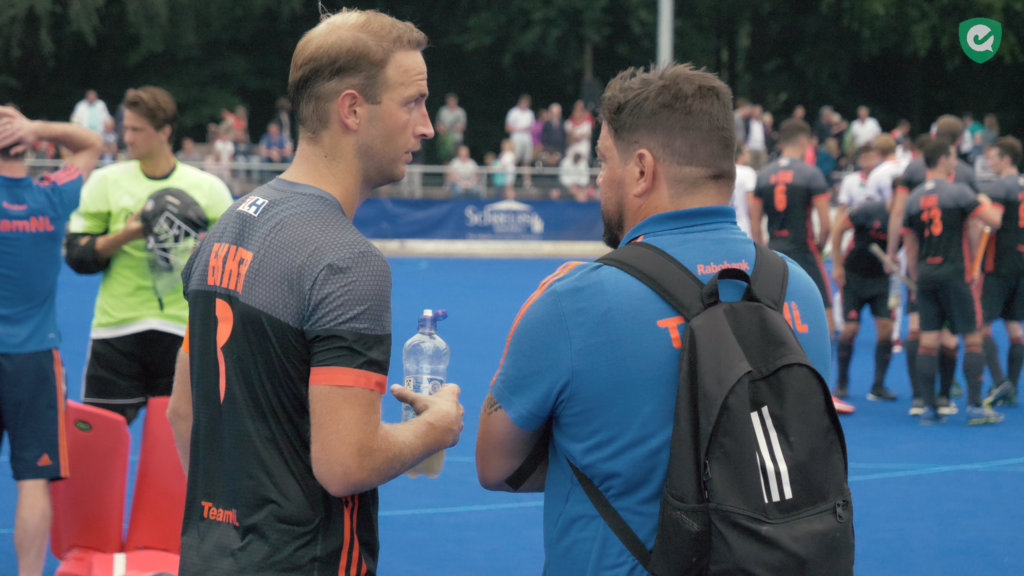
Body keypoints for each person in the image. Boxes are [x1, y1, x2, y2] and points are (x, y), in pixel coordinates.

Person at [475, 63, 831, 575]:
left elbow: (495, 465)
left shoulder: (574, 300)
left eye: (604, 162)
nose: (600, 180)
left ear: (642, 170)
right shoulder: (797, 287)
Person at [167, 10, 464, 574]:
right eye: (413, 102)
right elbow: (345, 464)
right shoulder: (347, 261)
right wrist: (435, 427)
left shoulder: (227, 226)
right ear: (352, 109)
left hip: (211, 554)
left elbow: (185, 412)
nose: (427, 127)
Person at [63, 86, 233, 425]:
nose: (127, 137)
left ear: (165, 131)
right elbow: (77, 256)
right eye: (125, 128)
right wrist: (128, 233)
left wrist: (202, 250)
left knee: (182, 454)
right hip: (116, 331)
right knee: (97, 444)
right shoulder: (105, 182)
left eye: (136, 129)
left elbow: (234, 265)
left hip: (182, 334)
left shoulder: (208, 189)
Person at [0, 104, 103, 576]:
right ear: (27, 144)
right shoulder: (51, 198)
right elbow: (91, 144)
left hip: (30, 354)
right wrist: (35, 126)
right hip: (34, 359)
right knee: (33, 480)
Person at [902, 139, 1004, 424]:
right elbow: (993, 220)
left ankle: (929, 408)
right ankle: (974, 406)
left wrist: (916, 275)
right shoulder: (959, 192)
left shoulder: (913, 198)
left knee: (928, 340)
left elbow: (909, 245)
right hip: (955, 273)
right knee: (972, 338)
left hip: (926, 275)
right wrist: (984, 201)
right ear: (945, 160)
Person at [886, 115, 977, 415]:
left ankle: (919, 399)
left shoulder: (912, 170)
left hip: (922, 260)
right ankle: (947, 396)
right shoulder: (965, 172)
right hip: (955, 262)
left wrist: (891, 252)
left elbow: (899, 215)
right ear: (959, 141)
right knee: (953, 334)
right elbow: (977, 221)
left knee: (919, 329)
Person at [830, 199, 898, 401]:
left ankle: (878, 386)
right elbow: (838, 229)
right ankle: (841, 383)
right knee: (850, 329)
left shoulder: (906, 219)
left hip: (882, 280)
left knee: (886, 329)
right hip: (853, 276)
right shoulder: (869, 210)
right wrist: (836, 265)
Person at [979, 137, 1024, 406]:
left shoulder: (1000, 187)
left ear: (1006, 159)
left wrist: (978, 204)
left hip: (999, 263)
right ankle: (1014, 387)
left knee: (982, 325)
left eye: (994, 158)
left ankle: (998, 382)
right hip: (1021, 263)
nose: (989, 162)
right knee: (1014, 325)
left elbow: (993, 221)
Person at [505, 94, 535, 188]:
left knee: (526, 161)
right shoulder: (513, 112)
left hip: (527, 139)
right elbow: (508, 128)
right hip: (516, 139)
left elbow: (532, 127)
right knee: (514, 160)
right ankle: (510, 181)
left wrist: (525, 128)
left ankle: (527, 182)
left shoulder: (530, 113)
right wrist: (520, 128)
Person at [731, 142, 757, 238]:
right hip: (744, 228)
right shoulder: (748, 172)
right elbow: (751, 205)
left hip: (727, 227)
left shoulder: (723, 172)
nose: (749, 155)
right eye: (746, 152)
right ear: (740, 155)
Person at [435, 92, 467, 164]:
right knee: (446, 159)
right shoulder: (442, 111)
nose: (451, 102)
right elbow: (438, 125)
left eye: (453, 100)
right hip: (445, 140)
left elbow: (463, 127)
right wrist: (441, 129)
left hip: (457, 140)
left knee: (457, 159)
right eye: (450, 100)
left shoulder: (460, 112)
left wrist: (453, 128)